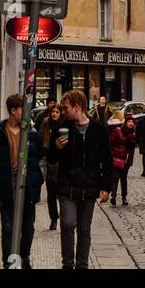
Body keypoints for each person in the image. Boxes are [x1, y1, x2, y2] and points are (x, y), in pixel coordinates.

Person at [47, 90, 112, 271]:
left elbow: (107, 159)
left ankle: (82, 266)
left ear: (77, 107)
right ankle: (67, 264)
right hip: (67, 185)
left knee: (84, 229)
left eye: (66, 107)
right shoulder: (62, 127)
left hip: (89, 186)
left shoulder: (98, 129)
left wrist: (106, 187)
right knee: (67, 223)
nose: (63, 110)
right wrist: (56, 148)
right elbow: (51, 158)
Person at [0, 93, 43, 269]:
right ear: (13, 111)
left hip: (29, 188)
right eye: (23, 109)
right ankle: (9, 262)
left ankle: (24, 259)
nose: (26, 113)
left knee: (28, 228)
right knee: (8, 229)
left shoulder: (32, 133)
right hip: (8, 187)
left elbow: (41, 157)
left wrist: (40, 175)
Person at [38, 102, 63, 230]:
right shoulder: (46, 123)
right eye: (53, 112)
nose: (54, 114)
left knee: (62, 193)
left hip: (61, 163)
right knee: (51, 194)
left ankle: (64, 218)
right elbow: (40, 137)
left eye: (57, 112)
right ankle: (53, 218)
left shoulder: (64, 125)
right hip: (48, 161)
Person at [108, 109, 136, 206]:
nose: (131, 123)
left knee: (123, 179)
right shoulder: (118, 130)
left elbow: (132, 149)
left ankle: (124, 197)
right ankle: (113, 196)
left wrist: (132, 139)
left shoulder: (133, 134)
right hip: (116, 158)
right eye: (129, 121)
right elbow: (110, 143)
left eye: (132, 122)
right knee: (115, 177)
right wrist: (112, 154)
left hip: (126, 160)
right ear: (125, 122)